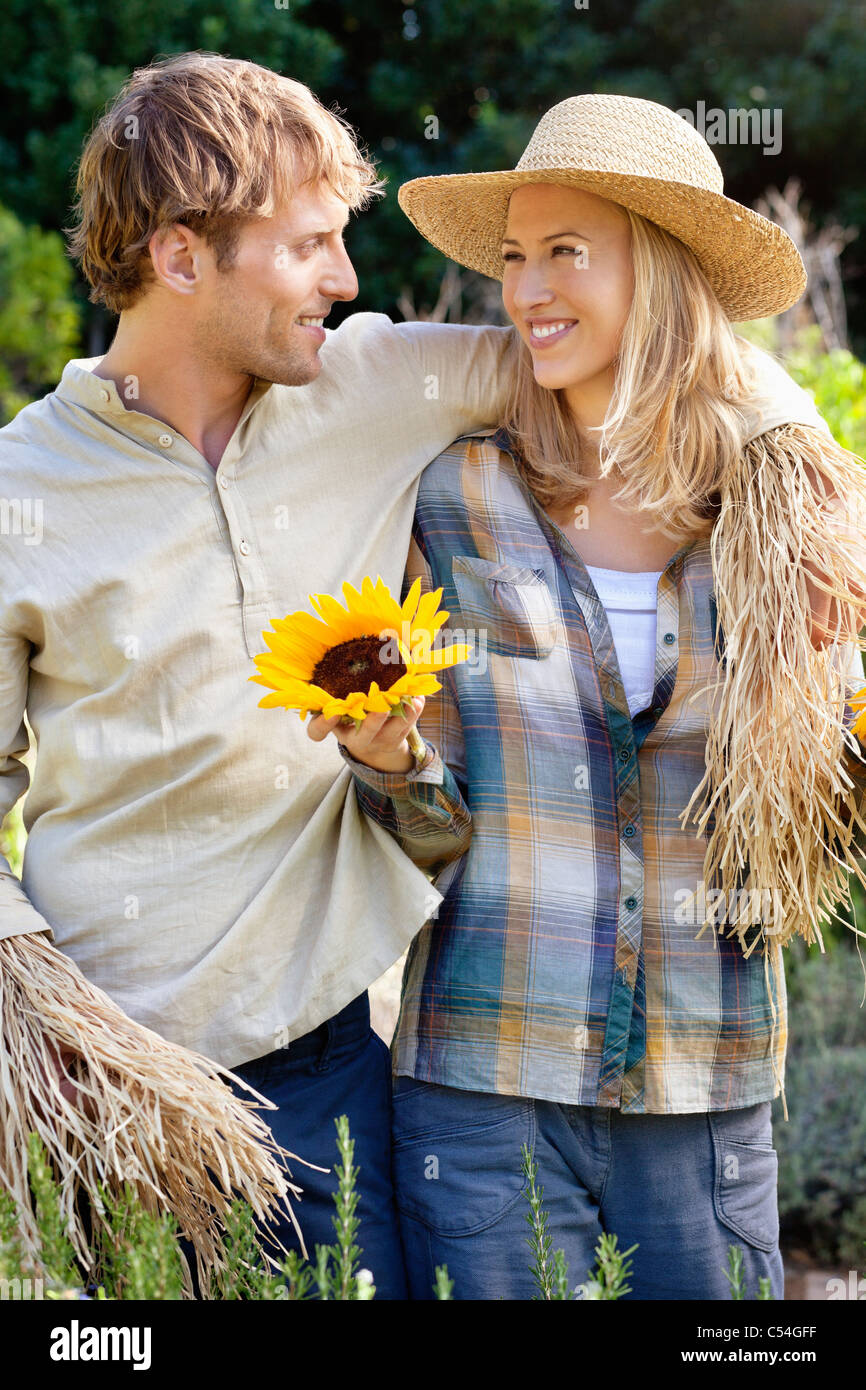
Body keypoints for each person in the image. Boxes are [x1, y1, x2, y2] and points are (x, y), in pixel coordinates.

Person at [318, 94, 866, 1299]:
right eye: (514, 258)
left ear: (658, 271)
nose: (525, 291)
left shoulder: (781, 515)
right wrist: (391, 764)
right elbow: (430, 837)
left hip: (702, 1081)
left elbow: (816, 826)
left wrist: (838, 725)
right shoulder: (454, 500)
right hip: (483, 1077)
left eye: (566, 252)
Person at [0, 50, 518, 1298]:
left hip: (321, 1059)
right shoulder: (20, 490)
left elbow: (606, 348)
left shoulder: (372, 385)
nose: (345, 279)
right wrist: (42, 1012)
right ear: (182, 257)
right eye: (307, 246)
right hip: (106, 1088)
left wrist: (781, 444)